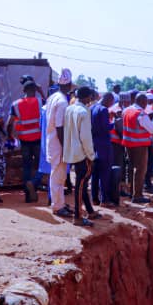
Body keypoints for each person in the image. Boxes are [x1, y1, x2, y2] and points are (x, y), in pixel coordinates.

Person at [63, 86, 100, 226]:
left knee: (81, 184)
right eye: (90, 97)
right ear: (87, 97)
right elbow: (86, 137)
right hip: (82, 154)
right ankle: (78, 217)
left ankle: (90, 211)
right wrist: (91, 155)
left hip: (72, 151)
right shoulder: (84, 112)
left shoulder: (69, 108)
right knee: (80, 185)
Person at [7, 77, 43, 202]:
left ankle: (28, 195)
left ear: (24, 90)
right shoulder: (40, 101)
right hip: (38, 139)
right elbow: (49, 105)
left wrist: (9, 137)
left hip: (24, 140)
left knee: (26, 166)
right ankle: (34, 183)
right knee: (41, 166)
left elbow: (9, 123)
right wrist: (41, 91)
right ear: (34, 89)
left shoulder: (15, 104)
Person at [45, 70, 74, 217]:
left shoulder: (53, 97)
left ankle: (60, 203)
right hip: (58, 142)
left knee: (59, 175)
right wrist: (65, 145)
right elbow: (60, 126)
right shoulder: (62, 101)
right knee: (58, 175)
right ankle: (57, 206)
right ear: (69, 85)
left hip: (53, 139)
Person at [122, 92, 153, 203]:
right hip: (139, 145)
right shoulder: (141, 114)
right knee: (140, 170)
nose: (147, 105)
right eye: (146, 102)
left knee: (132, 168)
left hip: (128, 144)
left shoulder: (126, 110)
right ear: (142, 102)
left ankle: (132, 192)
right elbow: (152, 129)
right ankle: (137, 195)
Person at [90, 91, 114, 206]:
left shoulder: (92, 108)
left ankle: (94, 198)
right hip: (104, 145)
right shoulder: (104, 110)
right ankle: (104, 200)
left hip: (93, 144)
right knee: (105, 172)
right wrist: (113, 122)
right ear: (109, 100)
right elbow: (106, 127)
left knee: (95, 173)